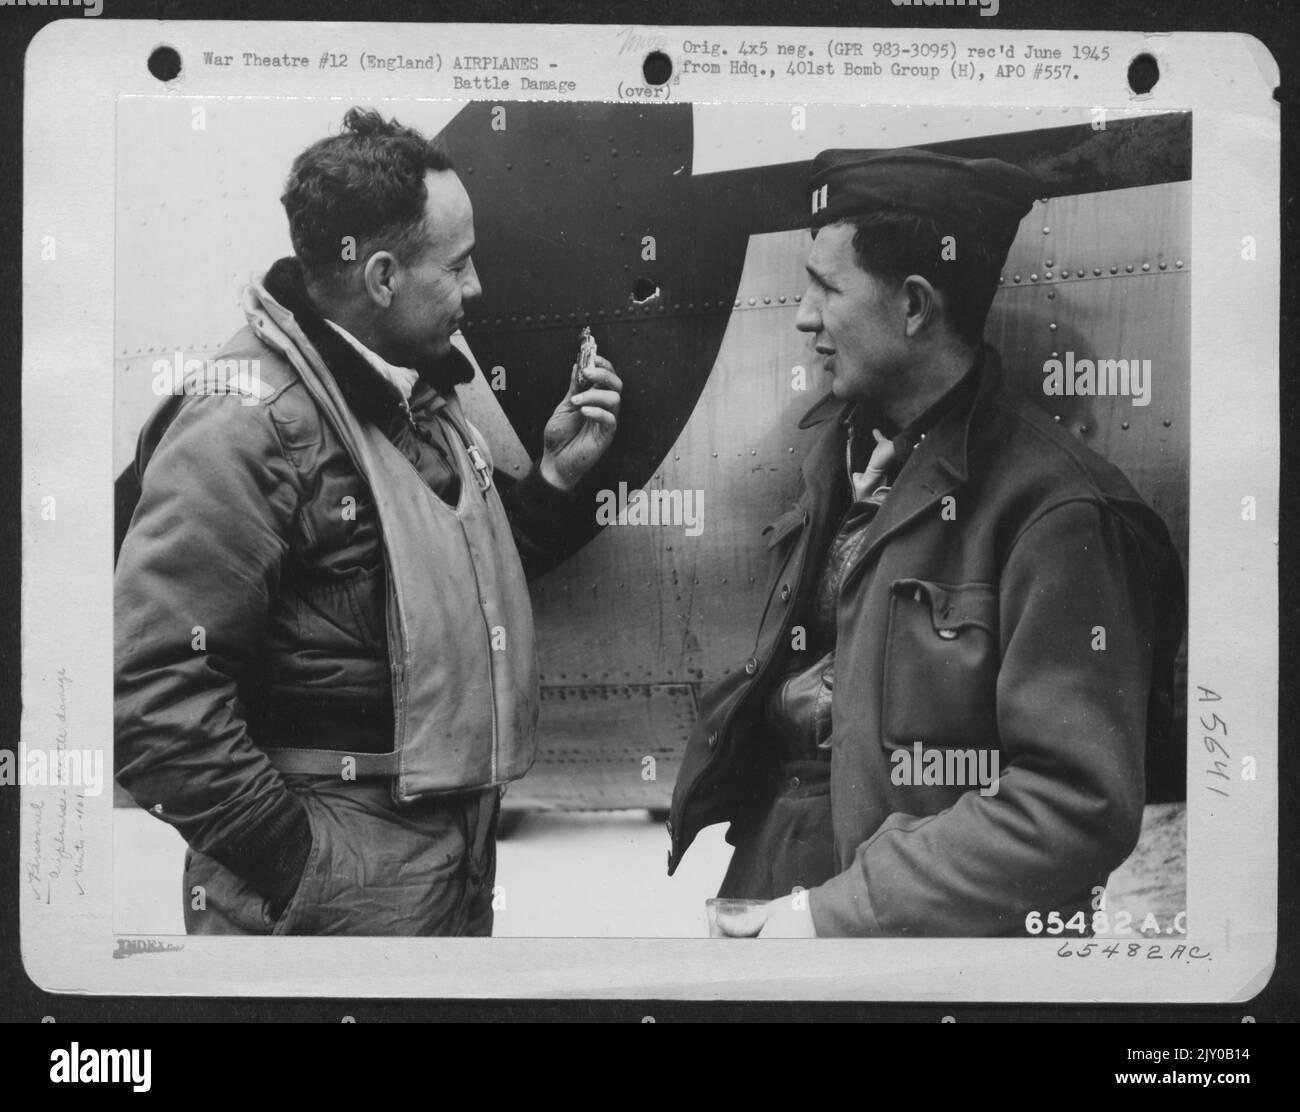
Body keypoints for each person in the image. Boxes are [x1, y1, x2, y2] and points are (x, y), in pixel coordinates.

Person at [114, 107, 622, 936]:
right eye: (457, 267)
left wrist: (556, 479)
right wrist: (301, 870)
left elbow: (427, 595)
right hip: (326, 902)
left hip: (435, 878)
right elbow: (152, 694)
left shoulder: (405, 391)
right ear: (382, 277)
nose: (476, 289)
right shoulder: (247, 422)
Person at [667, 147, 1184, 938]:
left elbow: (1073, 807)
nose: (803, 317)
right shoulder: (842, 462)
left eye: (827, 288)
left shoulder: (1065, 514)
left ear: (913, 306)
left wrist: (825, 918)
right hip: (780, 912)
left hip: (916, 955)